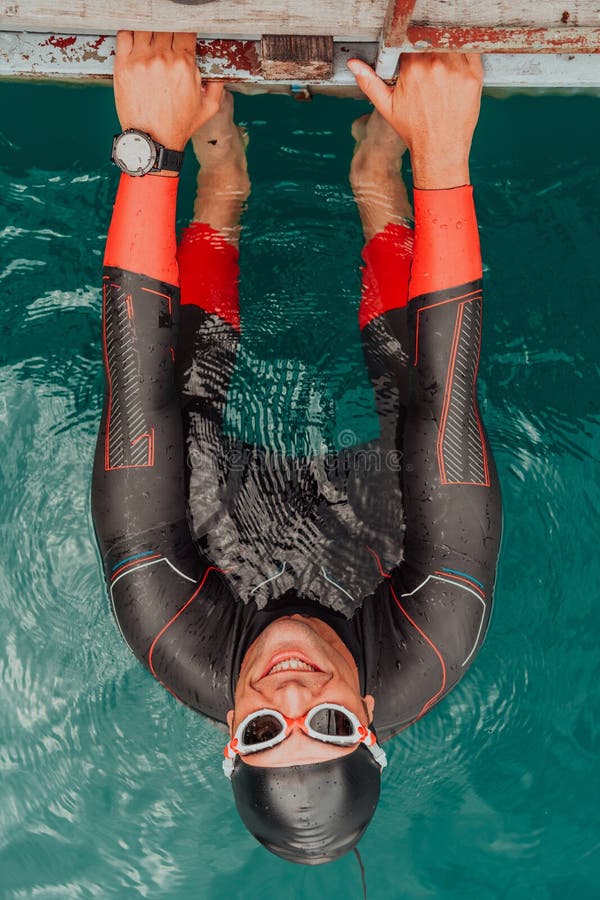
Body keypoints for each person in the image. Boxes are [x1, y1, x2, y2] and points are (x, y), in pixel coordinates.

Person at [92, 31, 502, 865]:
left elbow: (138, 393)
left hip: (231, 533)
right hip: (374, 534)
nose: (291, 695)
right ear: (370, 719)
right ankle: (378, 173)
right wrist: (443, 152)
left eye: (265, 731)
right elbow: (444, 399)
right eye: (330, 723)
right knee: (415, 404)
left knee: (178, 414)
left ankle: (223, 180)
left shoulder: (171, 635)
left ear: (231, 735)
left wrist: (152, 149)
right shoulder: (433, 639)